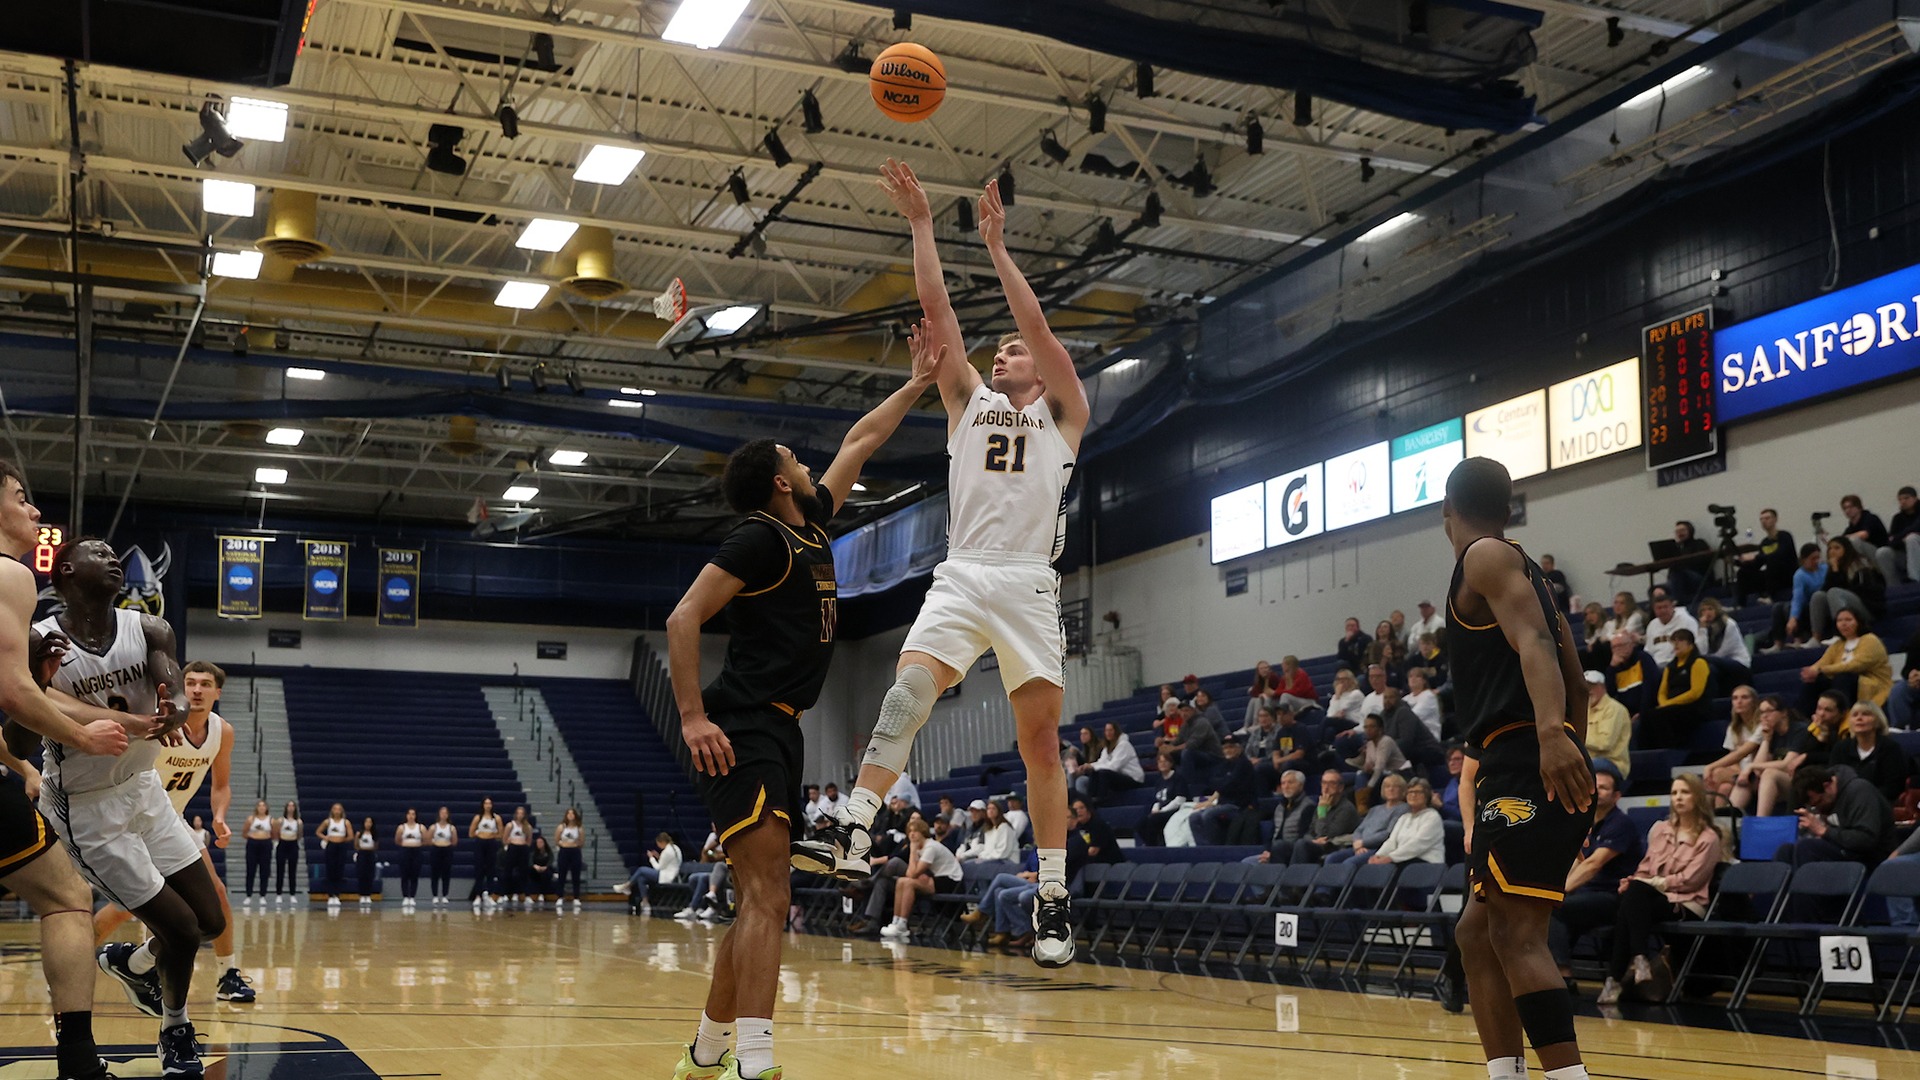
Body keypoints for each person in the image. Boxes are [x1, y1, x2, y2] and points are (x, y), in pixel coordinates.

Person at [801, 162, 1092, 973]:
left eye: (1016, 352)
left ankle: (1053, 896)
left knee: (1040, 746)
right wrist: (923, 224)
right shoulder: (967, 402)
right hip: (963, 572)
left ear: (1041, 369)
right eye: (997, 350)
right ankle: (857, 823)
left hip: (1027, 581)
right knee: (906, 695)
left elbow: (1036, 327)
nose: (1004, 353)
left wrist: (996, 248)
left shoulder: (1066, 412)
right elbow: (938, 315)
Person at [666, 311, 933, 1080]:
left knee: (760, 897)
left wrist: (917, 382)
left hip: (783, 731)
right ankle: (754, 1062)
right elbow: (683, 617)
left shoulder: (810, 524)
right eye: (794, 457)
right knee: (767, 894)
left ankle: (704, 1055)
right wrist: (691, 717)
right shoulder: (759, 536)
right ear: (780, 482)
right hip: (741, 728)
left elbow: (859, 441)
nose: (809, 461)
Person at [31, 538, 223, 1078]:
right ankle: (175, 1028)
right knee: (180, 929)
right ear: (66, 571)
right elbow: (20, 730)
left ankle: (134, 963)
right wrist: (40, 684)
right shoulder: (40, 639)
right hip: (87, 806)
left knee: (208, 921)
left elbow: (172, 687)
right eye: (98, 552)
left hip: (143, 787)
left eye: (112, 552)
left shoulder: (150, 628)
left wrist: (173, 708)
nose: (113, 557)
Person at [1442, 457, 1595, 1080]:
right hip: (1528, 760)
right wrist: (1574, 760)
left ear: (1446, 512)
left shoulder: (1484, 556)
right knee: (1476, 935)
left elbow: (1535, 646)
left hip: (1523, 756)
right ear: (1508, 509)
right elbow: (1578, 682)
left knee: (1515, 934)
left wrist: (1553, 738)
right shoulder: (1525, 568)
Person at [0, 461, 145, 1080]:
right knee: (66, 898)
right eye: (20, 497)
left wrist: (17, 760)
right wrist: (82, 734)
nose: (35, 510)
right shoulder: (10, 573)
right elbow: (13, 693)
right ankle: (80, 1061)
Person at [90, 659, 252, 1003]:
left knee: (217, 894)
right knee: (127, 906)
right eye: (190, 683)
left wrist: (219, 817)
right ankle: (76, 962)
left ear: (218, 693)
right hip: (133, 818)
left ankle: (228, 975)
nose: (196, 690)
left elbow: (221, 785)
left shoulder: (223, 731)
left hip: (172, 819)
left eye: (205, 684)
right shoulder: (161, 721)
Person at [1595, 774, 1723, 1005]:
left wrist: (1651, 883)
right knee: (1631, 896)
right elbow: (1645, 868)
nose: (1678, 798)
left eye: (1685, 792)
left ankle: (1616, 978)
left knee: (1630, 903)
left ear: (1697, 797)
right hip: (1651, 898)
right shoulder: (1660, 829)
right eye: (1674, 793)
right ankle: (1638, 959)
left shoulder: (1709, 837)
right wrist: (1633, 880)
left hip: (1686, 902)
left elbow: (1691, 881)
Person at [1547, 765, 1640, 981]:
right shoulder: (1586, 821)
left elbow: (1593, 865)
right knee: (1546, 906)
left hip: (1612, 897)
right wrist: (1556, 889)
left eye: (1604, 788)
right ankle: (1547, 975)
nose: (1597, 791)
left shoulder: (1621, 823)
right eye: (1594, 786)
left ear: (1617, 796)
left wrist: (1560, 893)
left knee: (1553, 908)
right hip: (1586, 895)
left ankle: (1563, 975)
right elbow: (1577, 862)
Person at [1775, 765, 1896, 872]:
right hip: (1843, 848)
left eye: (1819, 802)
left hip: (1869, 856)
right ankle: (1785, 891)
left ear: (1827, 786)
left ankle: (1805, 890)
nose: (1818, 808)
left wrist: (1824, 831)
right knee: (1785, 850)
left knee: (1807, 848)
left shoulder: (1859, 791)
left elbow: (1866, 839)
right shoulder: (1827, 799)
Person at [877, 819, 965, 941]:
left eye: (916, 831)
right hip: (937, 878)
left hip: (952, 881)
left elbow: (912, 875)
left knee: (909, 883)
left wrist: (913, 851)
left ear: (923, 832)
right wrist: (914, 852)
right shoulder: (919, 848)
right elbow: (910, 873)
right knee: (901, 881)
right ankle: (895, 921)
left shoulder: (930, 847)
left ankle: (902, 924)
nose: (912, 834)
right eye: (910, 831)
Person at [1736, 696, 1816, 817]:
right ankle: (1729, 818)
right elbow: (1757, 771)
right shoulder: (1772, 733)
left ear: (1783, 713)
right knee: (1746, 779)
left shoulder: (1799, 730)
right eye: (1761, 712)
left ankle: (1761, 820)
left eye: (1769, 711)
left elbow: (1787, 764)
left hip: (1800, 781)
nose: (1764, 716)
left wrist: (1751, 765)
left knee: (1769, 773)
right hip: (1780, 783)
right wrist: (1766, 740)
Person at [1799, 608, 1891, 712]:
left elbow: (1856, 665)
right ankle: (1802, 717)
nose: (1843, 624)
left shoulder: (1870, 640)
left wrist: (1822, 670)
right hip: (1843, 682)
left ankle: (1841, 716)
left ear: (1858, 622)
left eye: (1848, 620)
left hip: (1871, 684)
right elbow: (1822, 662)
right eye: (1839, 620)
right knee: (1814, 682)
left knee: (1843, 677)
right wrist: (1812, 671)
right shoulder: (1838, 644)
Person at [1641, 628, 1712, 750]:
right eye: (1674, 641)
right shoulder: (1670, 667)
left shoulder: (1698, 662)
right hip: (1672, 707)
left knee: (1661, 716)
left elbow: (1695, 693)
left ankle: (1672, 749)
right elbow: (1662, 692)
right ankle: (1649, 753)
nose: (1676, 644)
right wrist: (1664, 703)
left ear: (1690, 644)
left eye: (1680, 640)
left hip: (1694, 707)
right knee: (1647, 716)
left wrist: (1669, 703)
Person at [1827, 701, 1909, 802]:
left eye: (1865, 714)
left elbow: (1893, 786)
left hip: (1879, 802)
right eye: (1855, 715)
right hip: (1845, 802)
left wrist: (1865, 798)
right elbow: (1832, 781)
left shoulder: (1891, 748)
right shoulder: (1841, 748)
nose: (1859, 718)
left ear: (1878, 721)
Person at [1809, 538, 1887, 643]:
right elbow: (1826, 590)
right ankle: (1816, 638)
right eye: (1830, 548)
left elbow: (1861, 591)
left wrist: (1836, 571)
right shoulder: (1835, 568)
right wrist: (1834, 571)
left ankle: (1839, 634)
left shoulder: (1860, 565)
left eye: (1837, 548)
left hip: (1867, 607)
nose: (1832, 551)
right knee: (1818, 596)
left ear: (1846, 549)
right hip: (1847, 605)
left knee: (1834, 592)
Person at [1189, 736, 1261, 846]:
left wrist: (1222, 783)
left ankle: (1215, 848)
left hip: (1239, 807)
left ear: (1239, 748)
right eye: (1225, 748)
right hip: (1223, 804)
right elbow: (1213, 782)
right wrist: (1224, 783)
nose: (1227, 750)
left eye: (1231, 747)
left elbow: (1229, 784)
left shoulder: (1244, 764)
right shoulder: (1223, 765)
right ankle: (1203, 848)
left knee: (1208, 815)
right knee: (1194, 817)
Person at [1325, 773, 1410, 865]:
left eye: (1395, 787)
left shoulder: (1403, 809)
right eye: (1387, 786)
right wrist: (1358, 844)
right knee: (1331, 859)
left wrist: (1363, 843)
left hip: (1379, 848)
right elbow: (1359, 830)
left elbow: (1388, 833)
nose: (1391, 789)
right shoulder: (1375, 809)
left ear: (1402, 790)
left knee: (1349, 863)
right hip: (1360, 846)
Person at [1702, 686, 1763, 806]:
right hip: (1741, 772)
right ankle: (1719, 816)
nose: (1739, 701)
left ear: (1754, 702)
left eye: (1744, 697)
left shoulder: (1762, 725)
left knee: (1716, 773)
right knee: (1724, 788)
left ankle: (1702, 812)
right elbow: (1734, 760)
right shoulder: (1733, 728)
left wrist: (1710, 766)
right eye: (1735, 698)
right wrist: (1736, 771)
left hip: (1757, 773)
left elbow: (1741, 753)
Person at [1290, 769, 1362, 866]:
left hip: (1333, 846)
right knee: (1280, 846)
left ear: (1340, 788)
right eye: (1324, 783)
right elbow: (1310, 831)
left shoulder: (1346, 809)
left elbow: (1326, 835)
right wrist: (1312, 840)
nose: (1326, 788)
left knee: (1301, 845)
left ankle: (1297, 875)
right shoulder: (1322, 804)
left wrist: (1322, 811)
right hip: (1317, 843)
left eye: (1331, 783)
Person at [1368, 778, 1445, 865]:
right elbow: (1391, 842)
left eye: (1418, 792)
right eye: (1410, 792)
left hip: (1425, 863)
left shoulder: (1432, 816)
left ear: (1426, 796)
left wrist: (1390, 857)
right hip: (1402, 860)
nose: (1413, 795)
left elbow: (1418, 844)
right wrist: (1378, 855)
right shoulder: (1404, 818)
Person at [1735, 508, 1798, 605]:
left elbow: (1780, 555)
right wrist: (1740, 562)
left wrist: (1755, 557)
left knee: (1772, 563)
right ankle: (1741, 604)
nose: (1764, 521)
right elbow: (1757, 564)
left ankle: (1771, 597)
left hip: (1787, 574)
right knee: (1743, 572)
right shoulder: (1764, 542)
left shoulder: (1785, 536)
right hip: (1772, 576)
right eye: (1761, 519)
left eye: (1767, 518)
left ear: (1775, 519)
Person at [1250, 771, 1314, 864]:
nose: (1286, 786)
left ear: (1301, 785)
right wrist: (1267, 851)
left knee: (1279, 846)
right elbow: (1271, 834)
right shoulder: (1279, 807)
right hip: (1275, 850)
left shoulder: (1308, 806)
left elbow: (1303, 838)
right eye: (1283, 783)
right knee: (1247, 862)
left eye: (1290, 782)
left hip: (1292, 852)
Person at [1075, 720, 1143, 804]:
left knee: (1103, 773)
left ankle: (1101, 799)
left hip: (1133, 778)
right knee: (1094, 772)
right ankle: (1089, 801)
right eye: (1106, 730)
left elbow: (1114, 767)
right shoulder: (1107, 747)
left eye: (1111, 730)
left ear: (1116, 731)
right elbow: (1101, 762)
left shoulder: (1124, 745)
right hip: (1120, 776)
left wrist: (1093, 766)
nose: (1108, 733)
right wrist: (1089, 765)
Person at [1579, 671, 1631, 782]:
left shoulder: (1615, 709)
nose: (1588, 690)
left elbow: (1604, 743)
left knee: (1582, 768)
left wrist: (1578, 737)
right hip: (1588, 760)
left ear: (1602, 687)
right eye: (1586, 686)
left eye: (1592, 686)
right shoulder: (1584, 709)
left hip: (1612, 762)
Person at [1693, 596, 1752, 690]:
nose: (1707, 613)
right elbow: (1702, 650)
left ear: (1717, 610)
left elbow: (1726, 650)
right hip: (1717, 663)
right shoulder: (1702, 628)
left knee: (1700, 660)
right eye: (1703, 610)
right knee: (1709, 669)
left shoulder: (1729, 624)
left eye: (1710, 609)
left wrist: (1707, 658)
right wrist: (1703, 629)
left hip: (1737, 661)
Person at [614, 831, 683, 911]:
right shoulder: (675, 847)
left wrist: (651, 858)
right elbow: (668, 863)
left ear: (662, 842)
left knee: (641, 870)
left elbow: (658, 868)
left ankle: (627, 886)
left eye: (658, 844)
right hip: (670, 873)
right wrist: (658, 857)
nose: (658, 846)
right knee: (641, 878)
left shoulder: (667, 851)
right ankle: (645, 902)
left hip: (666, 876)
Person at [1346, 714, 1409, 795]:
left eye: (1372, 727)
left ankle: (1362, 800)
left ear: (1380, 729)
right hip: (1382, 774)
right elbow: (1368, 765)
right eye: (1366, 727)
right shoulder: (1370, 744)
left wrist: (1369, 788)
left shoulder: (1386, 741)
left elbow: (1379, 768)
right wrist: (1367, 768)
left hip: (1399, 774)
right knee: (1344, 777)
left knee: (1361, 777)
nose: (1368, 730)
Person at [1603, 631, 1659, 721]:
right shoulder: (1614, 668)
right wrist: (1612, 668)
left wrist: (1642, 713)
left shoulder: (1643, 658)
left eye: (1621, 645)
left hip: (1646, 712)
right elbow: (1609, 694)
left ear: (1631, 645)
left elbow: (1650, 689)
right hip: (1625, 715)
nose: (1618, 649)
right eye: (1614, 647)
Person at [1642, 589, 1698, 669]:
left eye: (1665, 607)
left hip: (1678, 663)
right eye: (1659, 608)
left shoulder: (1687, 621)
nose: (1663, 610)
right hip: (1656, 665)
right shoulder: (1652, 624)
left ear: (1672, 606)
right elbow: (1648, 650)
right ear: (1654, 609)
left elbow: (1694, 646)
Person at [1877, 485, 1919, 585]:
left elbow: (1915, 527)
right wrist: (1901, 539)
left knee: (1912, 538)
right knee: (1882, 552)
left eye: (1906, 498)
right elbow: (1890, 541)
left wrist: (1900, 537)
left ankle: (1915, 579)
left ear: (1915, 498)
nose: (1903, 502)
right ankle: (1894, 586)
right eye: (1900, 499)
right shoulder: (1897, 518)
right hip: (1905, 555)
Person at [1664, 521, 1714, 603]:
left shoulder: (1699, 543)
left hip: (1700, 578)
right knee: (1655, 589)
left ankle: (1678, 603)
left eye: (1682, 530)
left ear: (1690, 531)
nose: (1680, 533)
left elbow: (1701, 562)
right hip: (1679, 579)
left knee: (1678, 572)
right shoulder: (1677, 548)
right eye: (1677, 532)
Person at [469, 797, 503, 909]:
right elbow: (471, 833)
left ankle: (490, 895)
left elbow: (501, 834)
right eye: (486, 803)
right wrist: (480, 834)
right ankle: (478, 896)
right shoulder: (478, 818)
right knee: (479, 869)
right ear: (483, 805)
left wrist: (491, 835)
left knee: (491, 870)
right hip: (480, 844)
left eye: (489, 803)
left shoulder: (496, 818)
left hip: (491, 844)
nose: (488, 805)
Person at [1839, 493, 1891, 564]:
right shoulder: (1851, 527)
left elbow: (1864, 534)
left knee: (1854, 541)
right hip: (1871, 556)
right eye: (1845, 508)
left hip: (1882, 554)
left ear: (1859, 507)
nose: (1847, 510)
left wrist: (1845, 539)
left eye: (1850, 507)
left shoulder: (1870, 518)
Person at [316, 803, 352, 907]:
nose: (337, 811)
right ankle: (330, 895)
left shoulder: (346, 822)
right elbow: (318, 832)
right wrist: (326, 838)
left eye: (339, 809)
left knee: (339, 870)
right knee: (330, 869)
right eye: (335, 809)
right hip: (331, 846)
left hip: (341, 846)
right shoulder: (327, 822)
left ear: (342, 811)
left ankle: (337, 894)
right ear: (332, 810)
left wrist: (342, 840)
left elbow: (351, 836)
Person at [554, 807, 586, 911]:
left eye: (572, 813)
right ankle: (560, 897)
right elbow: (556, 840)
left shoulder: (579, 828)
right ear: (566, 815)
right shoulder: (561, 827)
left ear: (575, 816)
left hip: (575, 852)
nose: (571, 815)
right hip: (564, 851)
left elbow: (582, 842)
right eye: (569, 813)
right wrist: (563, 844)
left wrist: (575, 844)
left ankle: (576, 897)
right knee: (562, 874)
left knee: (575, 875)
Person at [500, 806, 533, 907]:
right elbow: (504, 839)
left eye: (522, 813)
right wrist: (509, 844)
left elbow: (529, 841)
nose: (520, 815)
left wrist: (524, 846)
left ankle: (525, 894)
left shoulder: (527, 827)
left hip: (522, 849)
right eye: (518, 813)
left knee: (523, 872)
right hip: (513, 848)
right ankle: (504, 894)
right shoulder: (510, 825)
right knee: (508, 871)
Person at [242, 800, 274, 904]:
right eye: (259, 806)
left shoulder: (271, 820)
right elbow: (244, 833)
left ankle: (262, 895)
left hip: (266, 845)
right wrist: (254, 838)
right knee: (250, 870)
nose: (261, 807)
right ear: (256, 808)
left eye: (263, 806)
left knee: (264, 870)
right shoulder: (251, 819)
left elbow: (274, 833)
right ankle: (248, 895)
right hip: (253, 844)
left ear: (266, 808)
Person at [394, 809, 425, 911]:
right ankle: (405, 897)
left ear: (416, 816)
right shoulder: (401, 827)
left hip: (417, 852)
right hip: (405, 851)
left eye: (413, 814)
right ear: (406, 816)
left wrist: (416, 845)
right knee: (405, 875)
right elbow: (397, 840)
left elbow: (425, 839)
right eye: (409, 814)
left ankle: (412, 897)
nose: (411, 816)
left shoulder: (421, 827)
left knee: (414, 875)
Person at [1890, 625, 1920, 730]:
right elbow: (1906, 669)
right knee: (1898, 690)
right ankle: (1900, 730)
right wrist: (1911, 676)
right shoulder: (1917, 638)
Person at [275, 800, 302, 905]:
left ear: (295, 808)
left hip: (293, 845)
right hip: (282, 844)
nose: (290, 808)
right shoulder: (281, 820)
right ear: (286, 808)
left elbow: (299, 834)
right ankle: (279, 894)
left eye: (292, 806)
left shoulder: (298, 822)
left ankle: (292, 894)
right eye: (289, 806)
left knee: (292, 871)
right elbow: (276, 832)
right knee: (280, 871)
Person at [428, 807, 458, 905]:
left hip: (447, 851)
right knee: (435, 874)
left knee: (446, 873)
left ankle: (445, 895)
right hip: (436, 850)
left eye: (445, 813)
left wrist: (447, 844)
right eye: (442, 813)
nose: (443, 815)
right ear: (439, 814)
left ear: (448, 815)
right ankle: (435, 895)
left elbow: (455, 841)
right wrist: (436, 843)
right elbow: (428, 839)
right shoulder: (434, 827)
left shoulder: (451, 828)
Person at [1405, 667, 1443, 741]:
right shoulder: (1406, 698)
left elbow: (1413, 716)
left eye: (1417, 676)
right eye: (1410, 676)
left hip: (1429, 739)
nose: (1413, 678)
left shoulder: (1428, 696)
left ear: (1424, 681)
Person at [1242, 660, 1282, 729]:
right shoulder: (1260, 679)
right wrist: (1260, 695)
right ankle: (1246, 725)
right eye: (1261, 669)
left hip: (1276, 700)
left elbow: (1279, 692)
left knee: (1263, 699)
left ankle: (1257, 723)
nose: (1264, 670)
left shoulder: (1273, 677)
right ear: (1258, 671)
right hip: (1267, 700)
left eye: (1266, 668)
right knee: (1254, 700)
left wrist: (1269, 694)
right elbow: (1253, 692)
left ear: (1269, 669)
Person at [354, 816, 379, 907]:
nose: (368, 824)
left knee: (369, 874)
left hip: (370, 854)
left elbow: (376, 846)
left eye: (370, 822)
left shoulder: (374, 834)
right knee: (361, 874)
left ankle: (368, 895)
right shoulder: (359, 833)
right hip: (362, 853)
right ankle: (362, 895)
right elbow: (356, 845)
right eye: (366, 822)